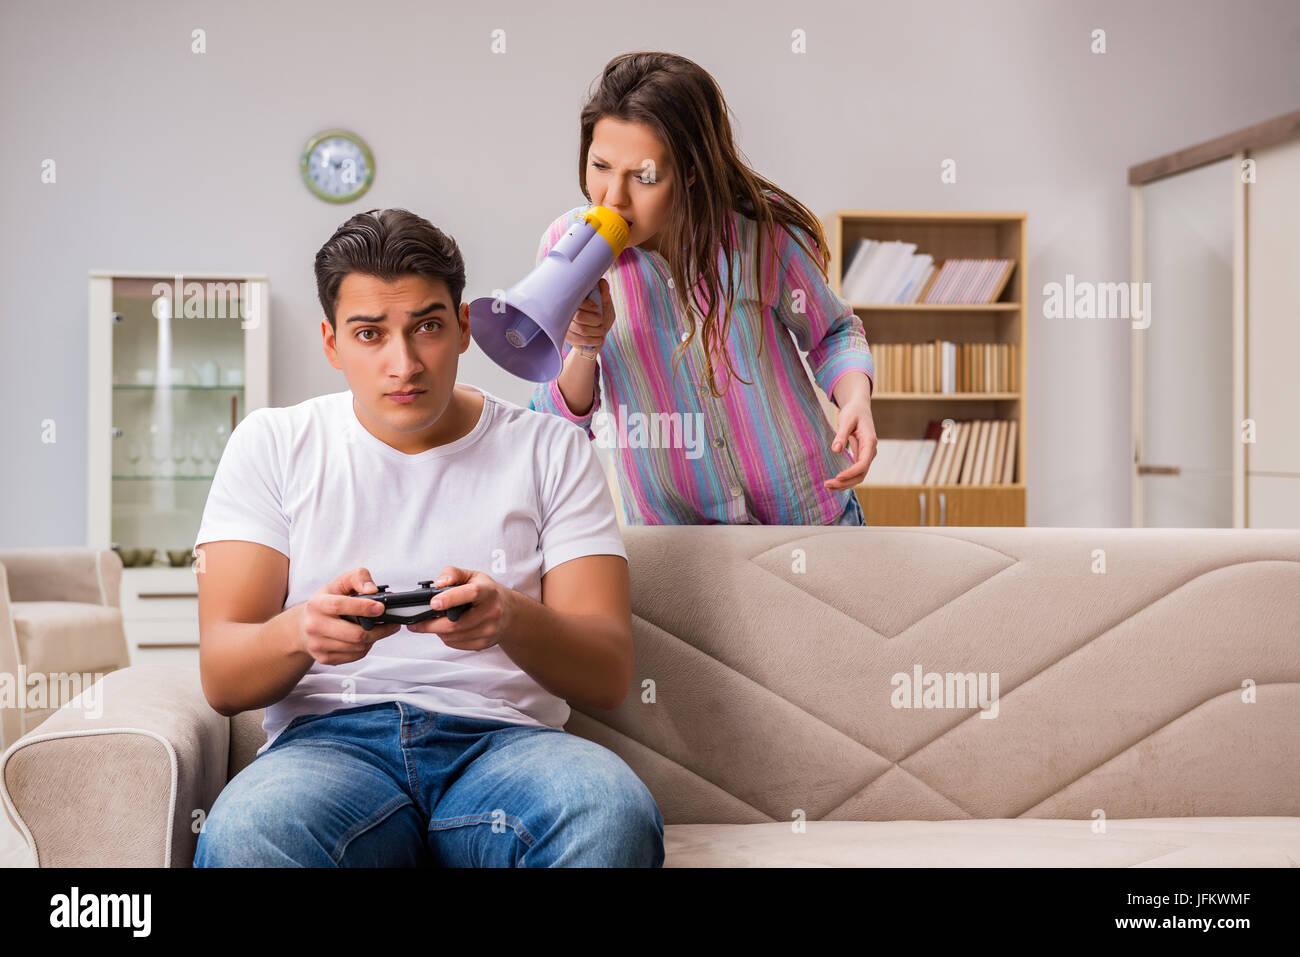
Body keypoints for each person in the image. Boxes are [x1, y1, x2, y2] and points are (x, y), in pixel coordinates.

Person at [191, 208, 663, 868]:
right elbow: (223, 674)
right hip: (328, 747)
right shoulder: (272, 445)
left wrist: (510, 619)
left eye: (428, 327)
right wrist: (302, 630)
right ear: (331, 343)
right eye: (370, 333)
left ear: (464, 327)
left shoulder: (552, 449)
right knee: (248, 835)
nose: (403, 363)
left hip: (508, 746)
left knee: (609, 812)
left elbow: (608, 672)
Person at [529, 51, 876, 526]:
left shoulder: (761, 233)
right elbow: (557, 426)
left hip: (810, 519)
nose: (613, 196)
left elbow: (832, 331)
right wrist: (585, 349)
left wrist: (854, 399)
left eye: (644, 176)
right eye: (601, 166)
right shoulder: (564, 248)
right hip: (680, 549)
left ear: (690, 171)